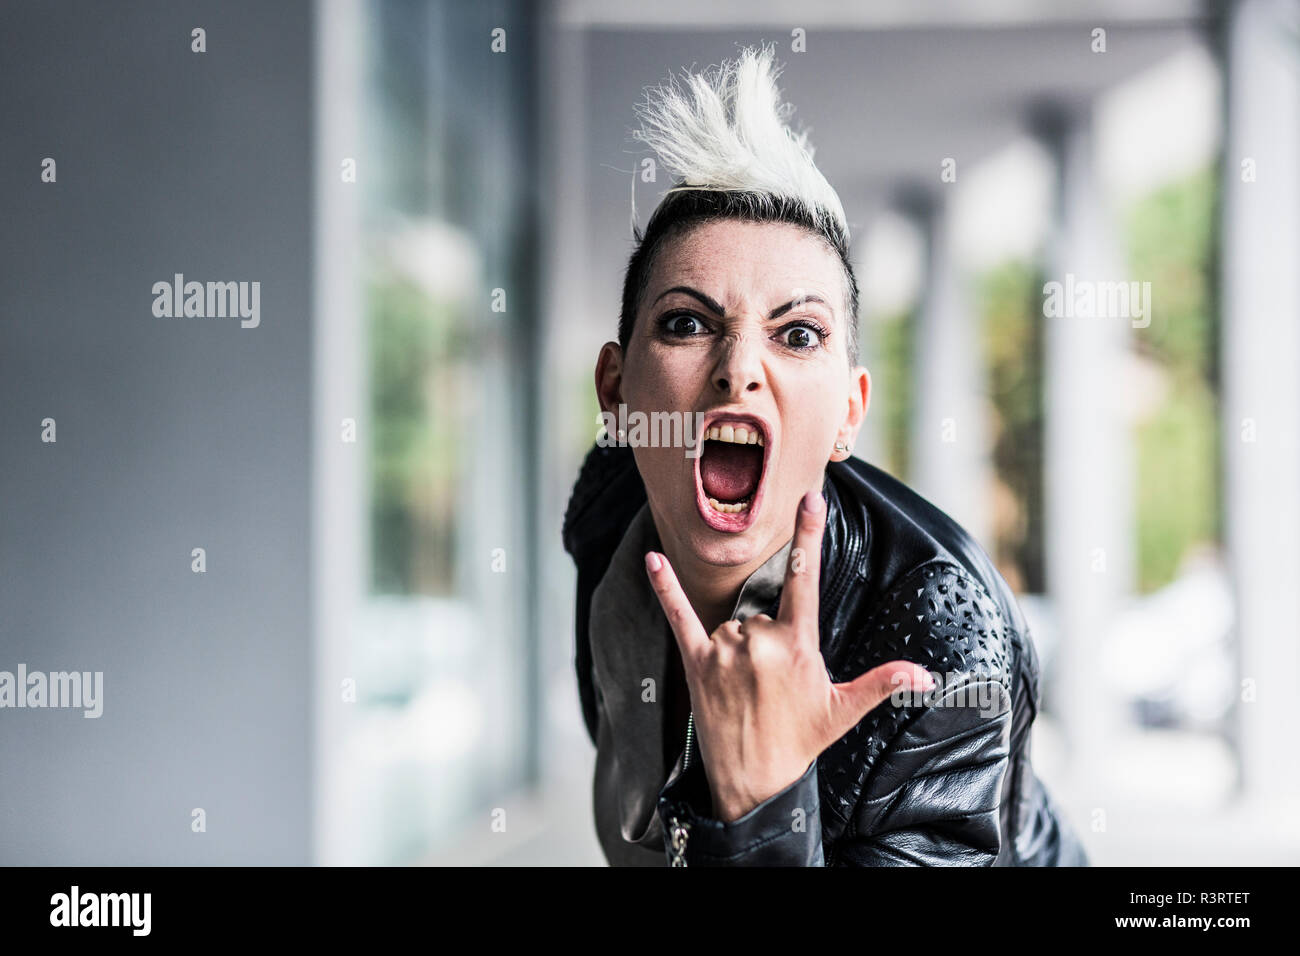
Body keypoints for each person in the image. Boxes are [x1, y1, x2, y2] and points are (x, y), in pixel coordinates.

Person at [562, 44, 1089, 867]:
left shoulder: (936, 646)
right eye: (687, 323)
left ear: (850, 412)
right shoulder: (607, 523)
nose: (739, 368)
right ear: (617, 393)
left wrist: (760, 808)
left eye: (797, 334)